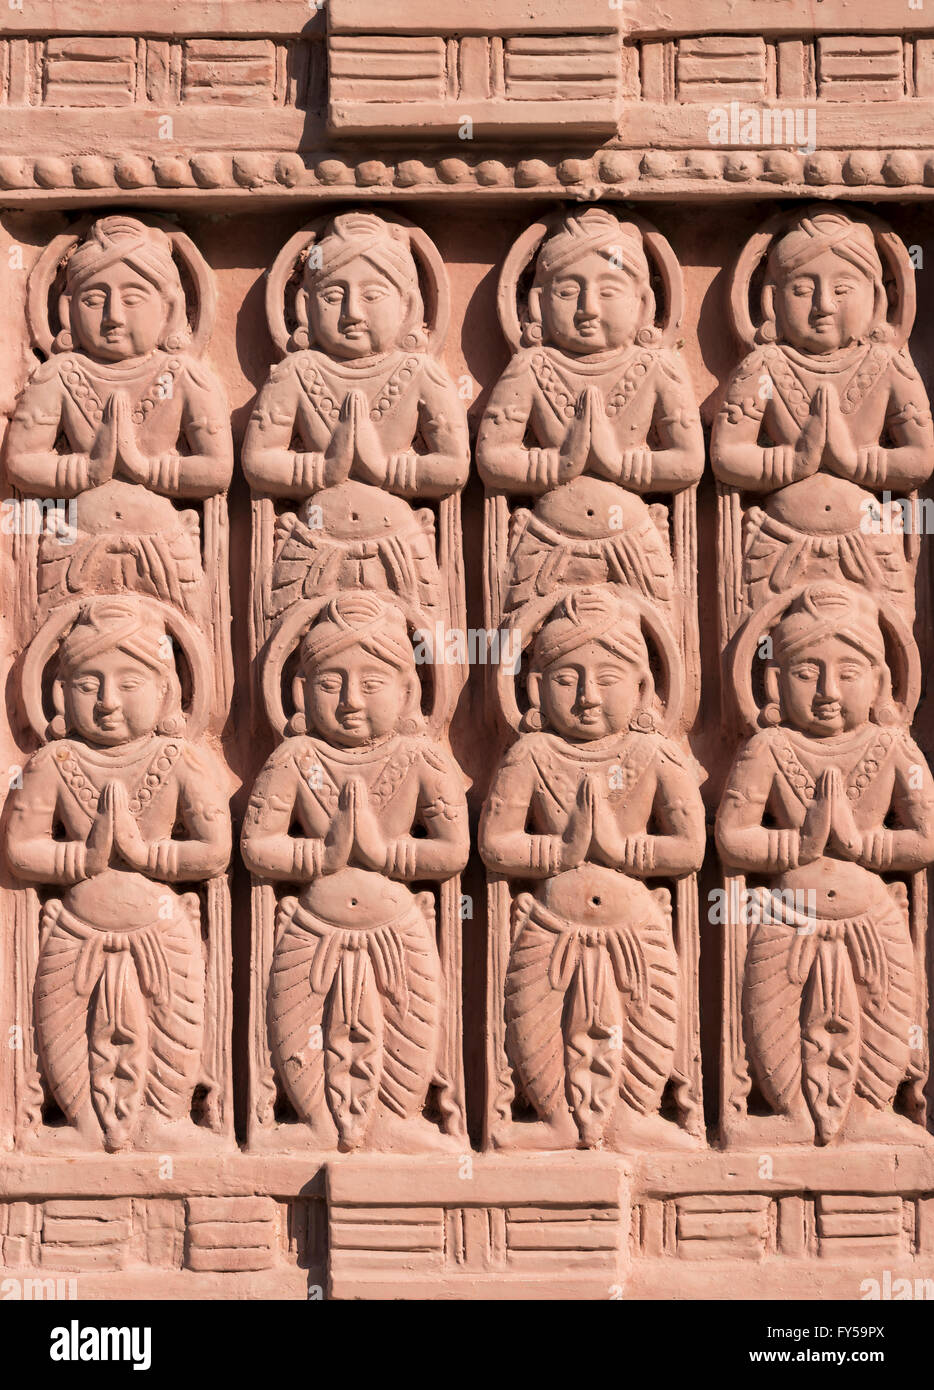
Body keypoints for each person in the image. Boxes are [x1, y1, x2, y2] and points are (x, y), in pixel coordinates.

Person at [241, 592, 469, 1151]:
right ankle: (313, 1125)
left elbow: (454, 850)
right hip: (310, 929)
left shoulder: (420, 757)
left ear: (409, 691)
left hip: (399, 929)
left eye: (372, 685)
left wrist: (386, 854)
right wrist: (323, 856)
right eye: (328, 683)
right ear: (299, 691)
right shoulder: (294, 760)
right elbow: (256, 847)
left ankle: (395, 1123)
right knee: (303, 1037)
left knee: (406, 1038)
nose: (349, 702)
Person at [479, 586, 705, 1149]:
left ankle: (634, 1112)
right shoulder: (531, 755)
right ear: (534, 688)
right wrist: (560, 852)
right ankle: (553, 1116)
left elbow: (691, 846)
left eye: (607, 679)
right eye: (565, 679)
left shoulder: (653, 754)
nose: (586, 697)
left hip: (637, 927)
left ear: (644, 687)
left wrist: (624, 851)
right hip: (549, 925)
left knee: (644, 1024)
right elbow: (494, 843)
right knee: (539, 1029)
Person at [7, 598, 231, 1152]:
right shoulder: (53, 763)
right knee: (64, 1038)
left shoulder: (179, 758)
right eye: (88, 685)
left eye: (130, 683)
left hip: (162, 931)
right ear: (60, 695)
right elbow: (19, 849)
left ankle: (166, 1121)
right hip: (74, 930)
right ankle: (78, 1124)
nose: (109, 702)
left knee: (174, 1034)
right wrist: (83, 860)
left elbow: (216, 850)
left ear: (166, 692)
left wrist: (145, 854)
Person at [716, 582, 934, 1145]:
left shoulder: (893, 747)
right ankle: (787, 1111)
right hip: (787, 916)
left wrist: (866, 847)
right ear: (772, 681)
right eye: (806, 672)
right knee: (776, 1022)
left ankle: (871, 1109)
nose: (827, 691)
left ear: (882, 682)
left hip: (872, 920)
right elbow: (733, 839)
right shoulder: (766, 749)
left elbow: (925, 835)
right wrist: (801, 845)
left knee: (882, 1013)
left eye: (849, 672)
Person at [242, 212, 468, 624]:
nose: (352, 312)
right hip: (312, 539)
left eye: (373, 294)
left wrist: (384, 468)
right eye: (332, 296)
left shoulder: (419, 373)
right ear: (304, 306)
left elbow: (454, 466)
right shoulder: (296, 372)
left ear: (408, 307)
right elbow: (258, 462)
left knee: (412, 646)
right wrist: (324, 468)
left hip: (400, 540)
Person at [478, 208, 703, 619]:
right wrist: (559, 463)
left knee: (653, 630)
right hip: (546, 536)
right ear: (537, 304)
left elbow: (689, 461)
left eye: (610, 290)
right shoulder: (531, 366)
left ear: (644, 305)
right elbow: (493, 458)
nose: (588, 308)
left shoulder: (657, 367)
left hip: (633, 536)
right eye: (567, 292)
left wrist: (619, 463)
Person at [7, 216, 232, 624]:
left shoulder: (183, 375)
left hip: (164, 542)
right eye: (93, 300)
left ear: (170, 309)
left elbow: (217, 469)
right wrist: (88, 469)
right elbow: (21, 462)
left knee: (177, 636)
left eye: (133, 298)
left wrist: (146, 468)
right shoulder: (59, 375)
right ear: (66, 308)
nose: (112, 316)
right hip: (74, 541)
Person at [712, 209, 934, 615]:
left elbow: (919, 459)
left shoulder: (888, 366)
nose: (823, 305)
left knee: (874, 643)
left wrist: (854, 460)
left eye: (844, 288)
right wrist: (793, 461)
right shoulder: (763, 367)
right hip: (779, 538)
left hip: (870, 541)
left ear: (877, 299)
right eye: (801, 290)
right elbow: (727, 456)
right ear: (770, 299)